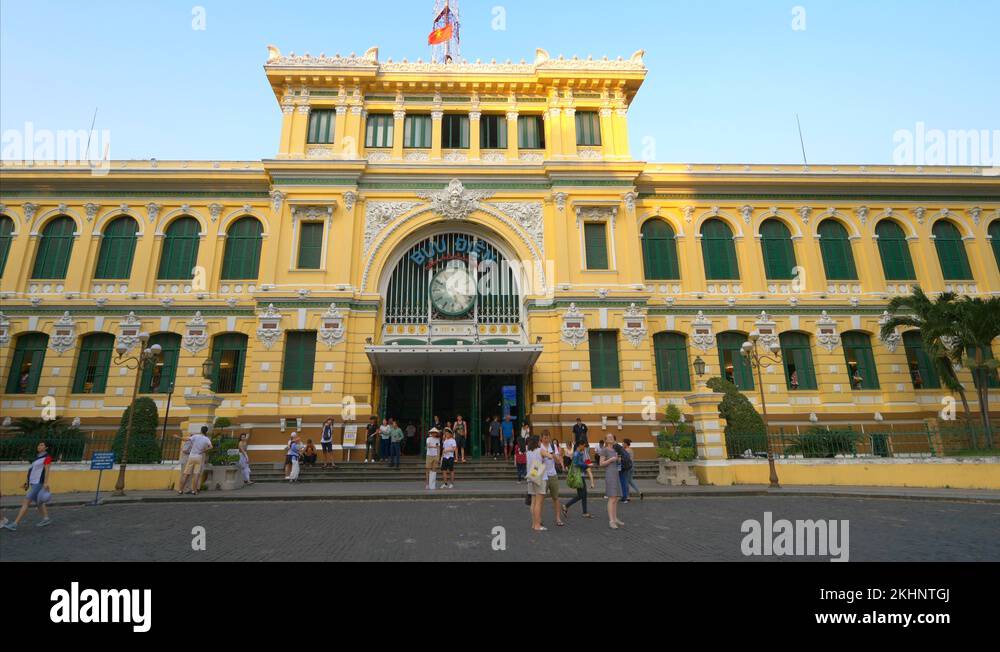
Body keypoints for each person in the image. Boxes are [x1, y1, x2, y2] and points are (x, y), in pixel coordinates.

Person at [4, 441, 53, 530]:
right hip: (33, 482)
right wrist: (27, 482)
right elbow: (31, 471)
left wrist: (45, 483)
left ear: (46, 448)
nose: (39, 446)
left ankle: (15, 524)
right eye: (39, 444)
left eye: (42, 445)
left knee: (26, 502)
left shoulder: (47, 458)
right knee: (39, 503)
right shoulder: (37, 457)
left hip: (39, 483)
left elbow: (47, 471)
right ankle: (46, 519)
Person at [562, 441, 593, 519]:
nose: (584, 447)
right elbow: (576, 463)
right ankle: (566, 505)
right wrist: (587, 465)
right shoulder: (577, 453)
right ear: (580, 445)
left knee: (583, 494)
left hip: (579, 476)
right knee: (582, 495)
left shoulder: (578, 453)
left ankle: (584, 512)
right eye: (584, 446)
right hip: (579, 476)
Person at [178, 426, 213, 495]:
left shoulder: (195, 436)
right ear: (206, 431)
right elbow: (211, 447)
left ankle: (180, 490)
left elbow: (186, 439)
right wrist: (203, 450)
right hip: (199, 457)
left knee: (186, 474)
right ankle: (194, 491)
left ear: (201, 430)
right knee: (196, 474)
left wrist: (178, 437)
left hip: (191, 456)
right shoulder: (206, 439)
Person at [540, 431, 564, 527]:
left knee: (556, 498)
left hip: (553, 474)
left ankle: (558, 518)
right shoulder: (539, 447)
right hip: (542, 476)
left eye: (548, 438)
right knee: (541, 499)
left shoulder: (553, 446)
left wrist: (553, 454)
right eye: (544, 438)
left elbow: (558, 460)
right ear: (541, 438)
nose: (546, 440)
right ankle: (539, 519)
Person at [599, 434, 624, 529]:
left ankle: (615, 518)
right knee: (612, 498)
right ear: (605, 440)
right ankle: (611, 521)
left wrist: (618, 460)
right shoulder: (604, 450)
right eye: (608, 437)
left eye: (612, 437)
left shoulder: (615, 450)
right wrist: (611, 459)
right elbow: (601, 464)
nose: (610, 438)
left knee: (616, 498)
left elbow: (617, 464)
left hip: (616, 474)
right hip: (609, 474)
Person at [525, 435, 548, 531]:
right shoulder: (539, 450)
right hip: (539, 476)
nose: (540, 442)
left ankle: (534, 524)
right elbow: (549, 456)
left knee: (533, 502)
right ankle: (538, 525)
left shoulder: (528, 452)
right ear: (537, 442)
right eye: (539, 441)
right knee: (538, 502)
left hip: (531, 477)